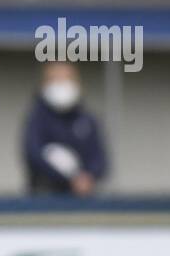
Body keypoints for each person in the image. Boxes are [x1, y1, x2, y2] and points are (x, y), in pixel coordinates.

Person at [23, 61, 108, 196]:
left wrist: (88, 177)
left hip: (83, 198)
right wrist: (69, 178)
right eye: (55, 79)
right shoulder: (36, 119)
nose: (62, 85)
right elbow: (33, 154)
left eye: (66, 79)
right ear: (44, 84)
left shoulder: (88, 119)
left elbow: (100, 159)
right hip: (44, 197)